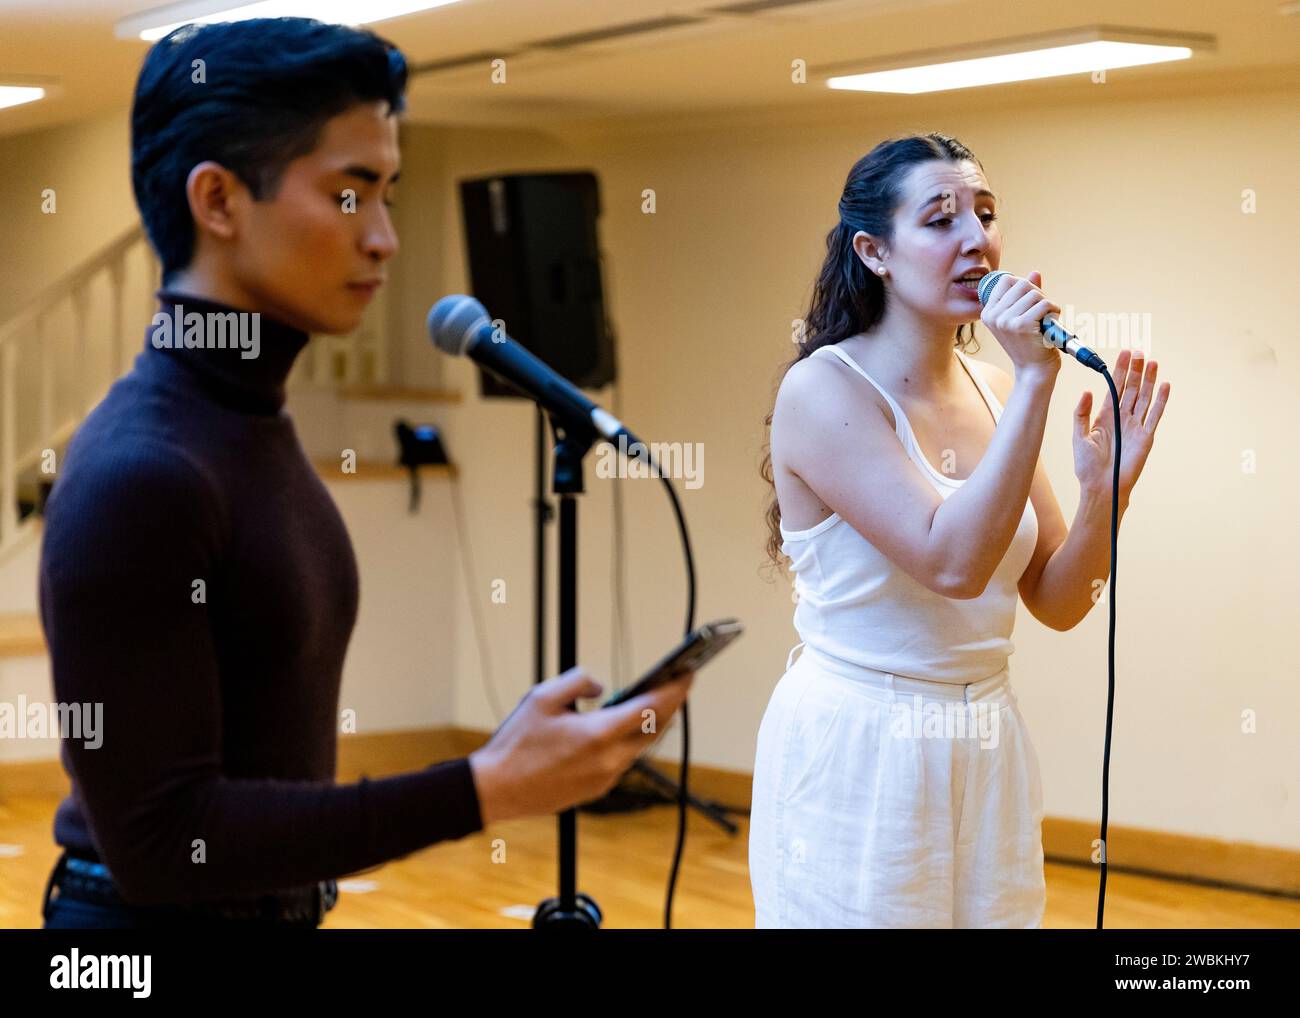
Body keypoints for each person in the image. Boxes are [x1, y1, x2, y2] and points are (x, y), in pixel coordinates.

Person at [39, 17, 692, 929]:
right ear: (219, 201)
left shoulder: (240, 420)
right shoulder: (144, 471)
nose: (383, 237)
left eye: (389, 194)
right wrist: (483, 788)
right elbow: (161, 841)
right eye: (351, 195)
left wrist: (498, 761)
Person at [749, 133, 1170, 928]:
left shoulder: (993, 385)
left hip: (986, 734)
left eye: (986, 212)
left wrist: (1104, 496)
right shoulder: (823, 390)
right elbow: (951, 563)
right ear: (874, 252)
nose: (976, 237)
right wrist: (1040, 381)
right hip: (862, 739)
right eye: (941, 219)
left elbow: (1057, 598)